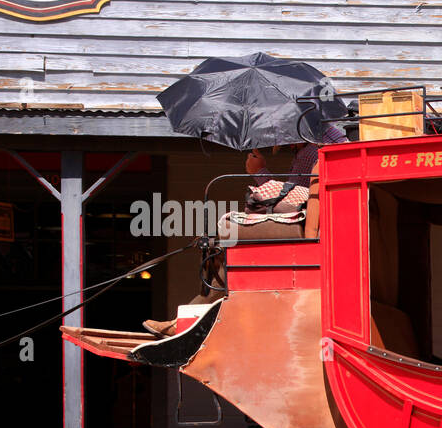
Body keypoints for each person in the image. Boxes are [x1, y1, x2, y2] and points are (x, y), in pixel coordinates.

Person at [142, 124, 349, 336]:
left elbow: (288, 201)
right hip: (306, 230)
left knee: (229, 253)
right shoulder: (314, 145)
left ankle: (188, 322)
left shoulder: (313, 151)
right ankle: (191, 319)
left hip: (305, 235)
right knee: (224, 249)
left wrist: (259, 171)